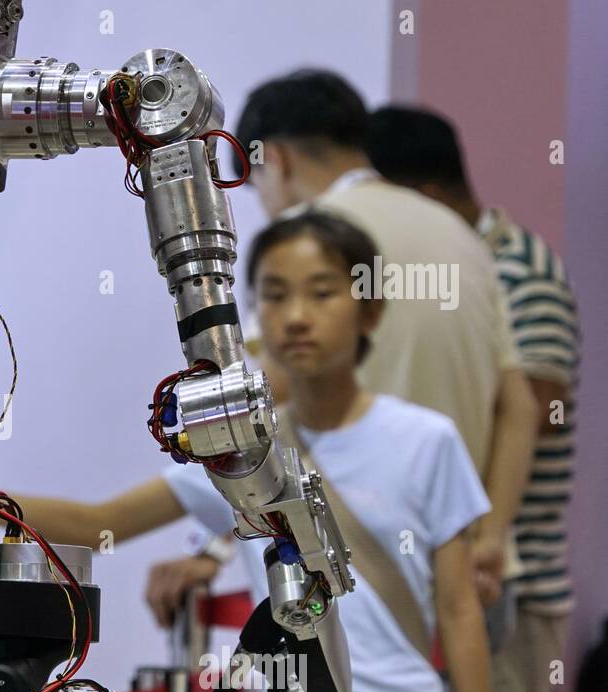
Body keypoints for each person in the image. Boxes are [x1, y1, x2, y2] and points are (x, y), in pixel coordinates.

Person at [0, 212, 503, 692]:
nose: (296, 315)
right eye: (274, 294)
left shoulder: (427, 442)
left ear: (370, 310)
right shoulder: (237, 451)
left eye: (322, 292)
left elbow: (460, 611)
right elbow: (101, 520)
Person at [207, 71, 536, 620]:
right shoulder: (460, 233)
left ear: (278, 162)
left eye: (255, 184)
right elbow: (519, 406)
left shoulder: (308, 241)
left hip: (360, 578)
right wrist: (491, 537)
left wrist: (212, 546)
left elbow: (261, 410)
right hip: (474, 574)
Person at [367, 104, 582, 692]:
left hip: (508, 583)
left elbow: (533, 404)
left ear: (422, 198)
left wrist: (485, 542)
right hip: (433, 577)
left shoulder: (517, 264)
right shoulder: (440, 267)